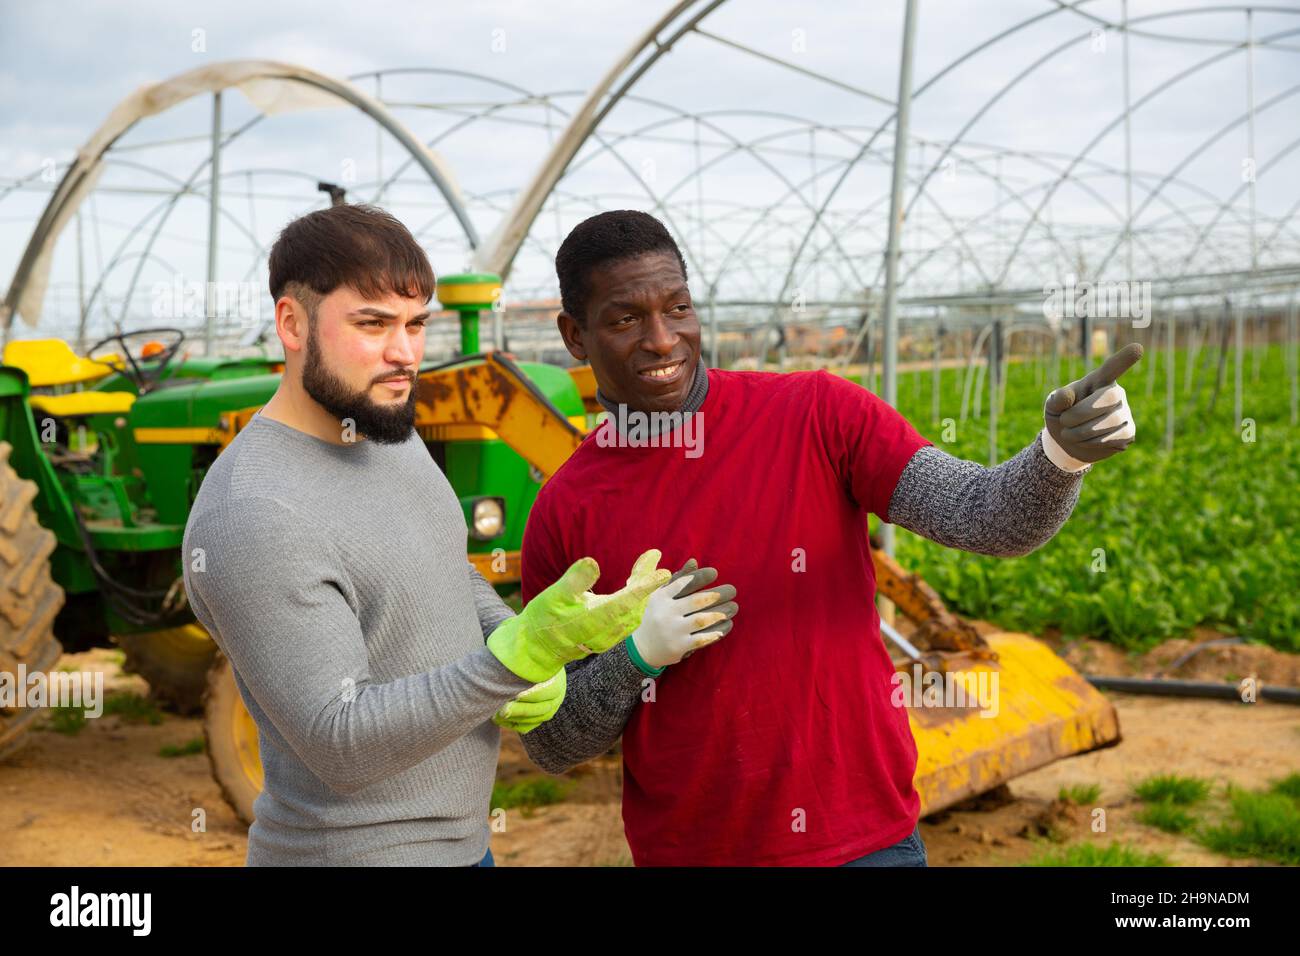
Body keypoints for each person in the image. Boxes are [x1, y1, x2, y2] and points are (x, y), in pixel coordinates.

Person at [512, 209, 1141, 867]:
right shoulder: (566, 510)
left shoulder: (817, 413)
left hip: (864, 841)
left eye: (678, 308)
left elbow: (985, 516)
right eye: (624, 319)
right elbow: (553, 739)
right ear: (574, 336)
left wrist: (1059, 456)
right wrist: (635, 657)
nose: (663, 339)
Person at [181, 203, 735, 865]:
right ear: (292, 323)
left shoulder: (388, 431)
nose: (404, 353)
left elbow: (446, 563)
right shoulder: (253, 511)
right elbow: (341, 742)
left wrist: (521, 633)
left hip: (464, 850)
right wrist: (513, 662)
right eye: (373, 324)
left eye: (416, 325)